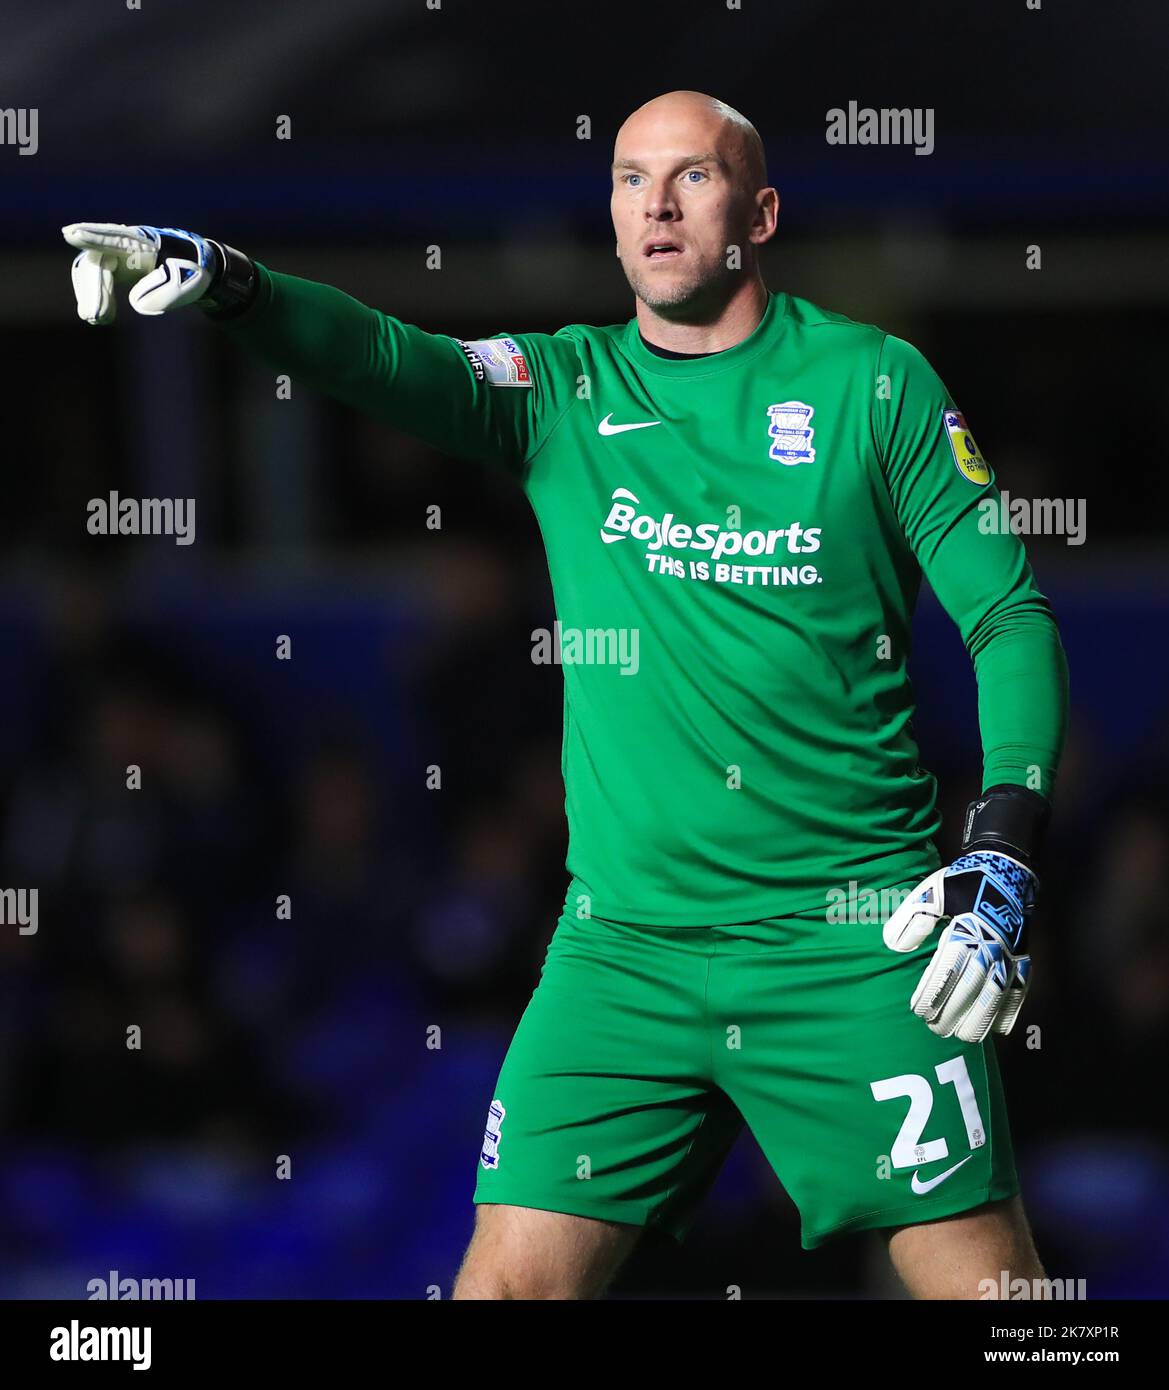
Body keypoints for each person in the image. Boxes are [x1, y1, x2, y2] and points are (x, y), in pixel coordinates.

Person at [62, 89, 1068, 1300]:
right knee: (502, 1289)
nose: (652, 202)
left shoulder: (875, 384)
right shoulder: (562, 391)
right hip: (622, 955)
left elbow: (1006, 618)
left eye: (689, 177)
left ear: (760, 210)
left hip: (846, 944)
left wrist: (1002, 849)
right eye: (628, 178)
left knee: (997, 1304)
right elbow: (388, 358)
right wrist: (238, 286)